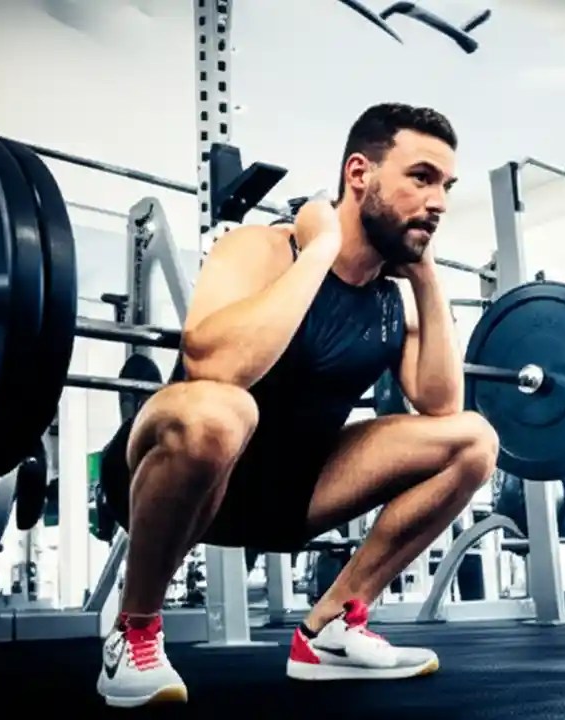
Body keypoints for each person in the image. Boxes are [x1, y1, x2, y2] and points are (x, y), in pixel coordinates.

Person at [95, 103, 500, 708]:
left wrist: (425, 274)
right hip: (175, 474)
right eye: (421, 177)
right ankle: (134, 631)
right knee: (224, 411)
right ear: (359, 174)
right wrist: (320, 251)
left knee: (474, 440)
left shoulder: (394, 298)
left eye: (446, 185)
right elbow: (214, 365)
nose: (438, 200)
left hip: (286, 496)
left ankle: (332, 629)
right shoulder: (262, 248)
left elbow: (442, 405)